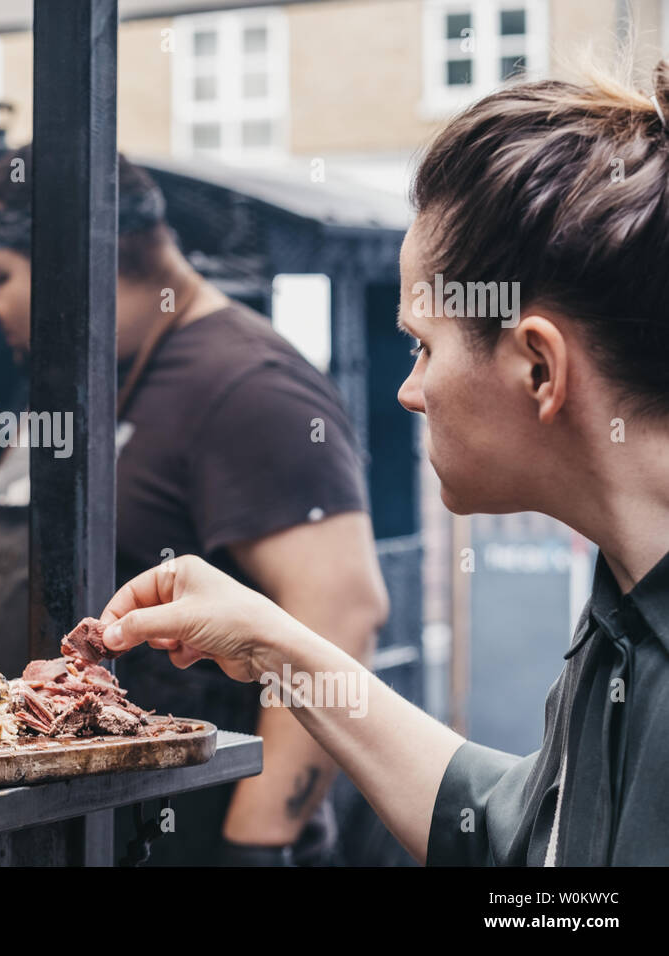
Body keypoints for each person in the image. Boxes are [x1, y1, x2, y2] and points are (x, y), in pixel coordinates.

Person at [98, 57, 669, 865]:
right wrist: (273, 644)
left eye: (421, 345)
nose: (410, 389)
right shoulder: (624, 607)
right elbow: (520, 835)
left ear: (539, 367)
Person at [0, 145, 390, 865]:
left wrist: (259, 842)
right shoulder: (85, 374)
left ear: (73, 269)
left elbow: (344, 611)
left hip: (183, 828)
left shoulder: (249, 387)